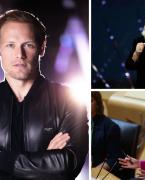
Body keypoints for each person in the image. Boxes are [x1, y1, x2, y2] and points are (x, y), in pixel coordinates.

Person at [0, 9, 88, 179]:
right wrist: (46, 163)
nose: (20, 54)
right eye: (10, 45)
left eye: (28, 45)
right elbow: (55, 167)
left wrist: (5, 161)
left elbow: (67, 165)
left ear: (42, 47)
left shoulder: (69, 101)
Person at [91, 91, 128, 178]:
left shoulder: (111, 127)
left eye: (90, 100)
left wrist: (94, 172)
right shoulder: (76, 122)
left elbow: (114, 159)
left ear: (97, 104)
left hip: (98, 173)